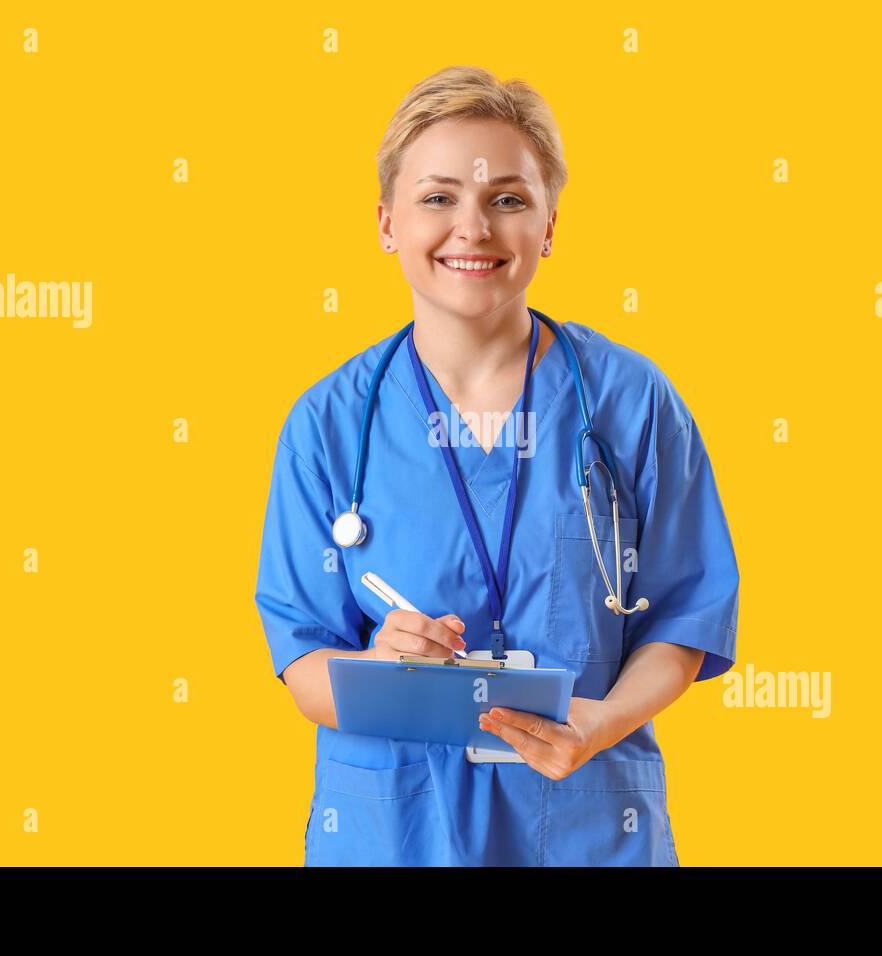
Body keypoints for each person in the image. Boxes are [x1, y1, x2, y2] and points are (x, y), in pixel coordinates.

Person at [254, 65, 740, 866]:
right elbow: (301, 654)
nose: (472, 228)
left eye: (507, 199)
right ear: (386, 224)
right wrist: (374, 669)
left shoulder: (632, 402)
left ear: (549, 227)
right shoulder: (329, 425)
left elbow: (685, 617)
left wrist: (600, 723)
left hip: (588, 824)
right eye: (437, 198)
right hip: (393, 829)